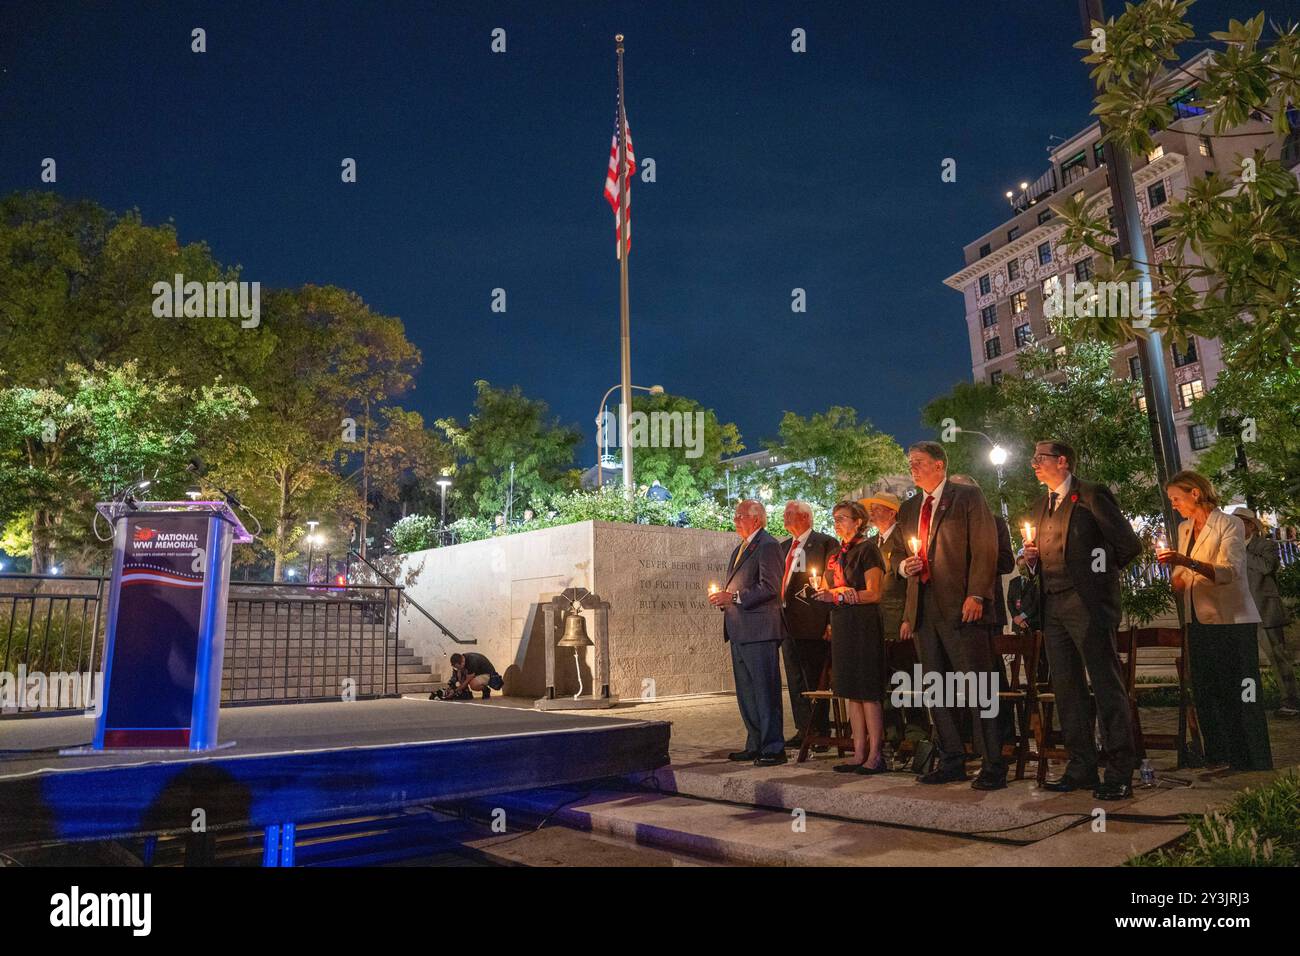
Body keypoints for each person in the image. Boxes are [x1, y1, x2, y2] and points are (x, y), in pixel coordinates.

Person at [1024, 439, 1142, 800]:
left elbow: (1127, 546)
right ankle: (1081, 765)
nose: (1034, 464)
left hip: (1087, 606)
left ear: (1062, 461)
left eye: (1040, 458)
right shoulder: (1041, 504)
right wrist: (1031, 560)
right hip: (1053, 606)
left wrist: (1096, 578)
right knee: (1066, 688)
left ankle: (1120, 769)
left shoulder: (1091, 494)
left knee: (1106, 685)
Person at [897, 441, 1007, 790]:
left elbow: (985, 548)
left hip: (961, 606)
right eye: (910, 463)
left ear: (940, 465)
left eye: (919, 462)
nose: (913, 468)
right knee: (937, 688)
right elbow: (899, 553)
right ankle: (952, 759)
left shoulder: (967, 497)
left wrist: (976, 593)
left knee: (977, 686)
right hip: (924, 610)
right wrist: (904, 566)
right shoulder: (910, 507)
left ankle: (992, 763)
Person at [1157, 473, 1272, 770]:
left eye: (1177, 498)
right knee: (1208, 689)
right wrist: (1177, 576)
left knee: (1240, 688)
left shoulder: (1228, 523)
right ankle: (1218, 754)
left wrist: (1188, 563)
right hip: (1198, 619)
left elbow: (1229, 571)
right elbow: (1183, 574)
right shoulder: (1184, 529)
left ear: (1195, 493)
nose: (1174, 505)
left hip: (1230, 619)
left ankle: (1249, 756)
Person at [709, 499, 787, 766]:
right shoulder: (739, 549)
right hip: (740, 629)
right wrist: (725, 599)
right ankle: (755, 742)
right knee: (747, 693)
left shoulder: (768, 546)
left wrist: (735, 597)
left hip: (760, 629)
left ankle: (774, 747)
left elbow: (770, 587)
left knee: (765, 692)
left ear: (757, 519)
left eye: (740, 516)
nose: (735, 520)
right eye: (736, 515)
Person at [813, 500, 888, 773]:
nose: (837, 523)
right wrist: (828, 594)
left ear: (858, 522)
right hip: (842, 623)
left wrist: (843, 595)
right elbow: (831, 588)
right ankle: (858, 752)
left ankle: (876, 754)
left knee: (867, 691)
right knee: (850, 692)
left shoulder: (868, 549)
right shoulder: (837, 553)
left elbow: (874, 592)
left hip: (863, 624)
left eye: (843, 518)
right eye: (834, 518)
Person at [778, 501, 839, 749]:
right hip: (785, 623)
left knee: (816, 679)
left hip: (813, 622)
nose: (784, 517)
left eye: (789, 513)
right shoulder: (783, 547)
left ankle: (820, 731)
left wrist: (829, 621)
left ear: (804, 517)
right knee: (795, 680)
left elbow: (832, 581)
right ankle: (804, 728)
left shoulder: (824, 543)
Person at [1235, 508, 1298, 717]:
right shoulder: (1229, 547)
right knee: (1244, 661)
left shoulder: (1265, 545)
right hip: (1240, 612)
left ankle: (1290, 701)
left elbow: (1267, 567)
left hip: (1264, 609)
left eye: (1240, 522)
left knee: (1278, 657)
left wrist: (1241, 551)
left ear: (1251, 525)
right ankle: (1250, 701)